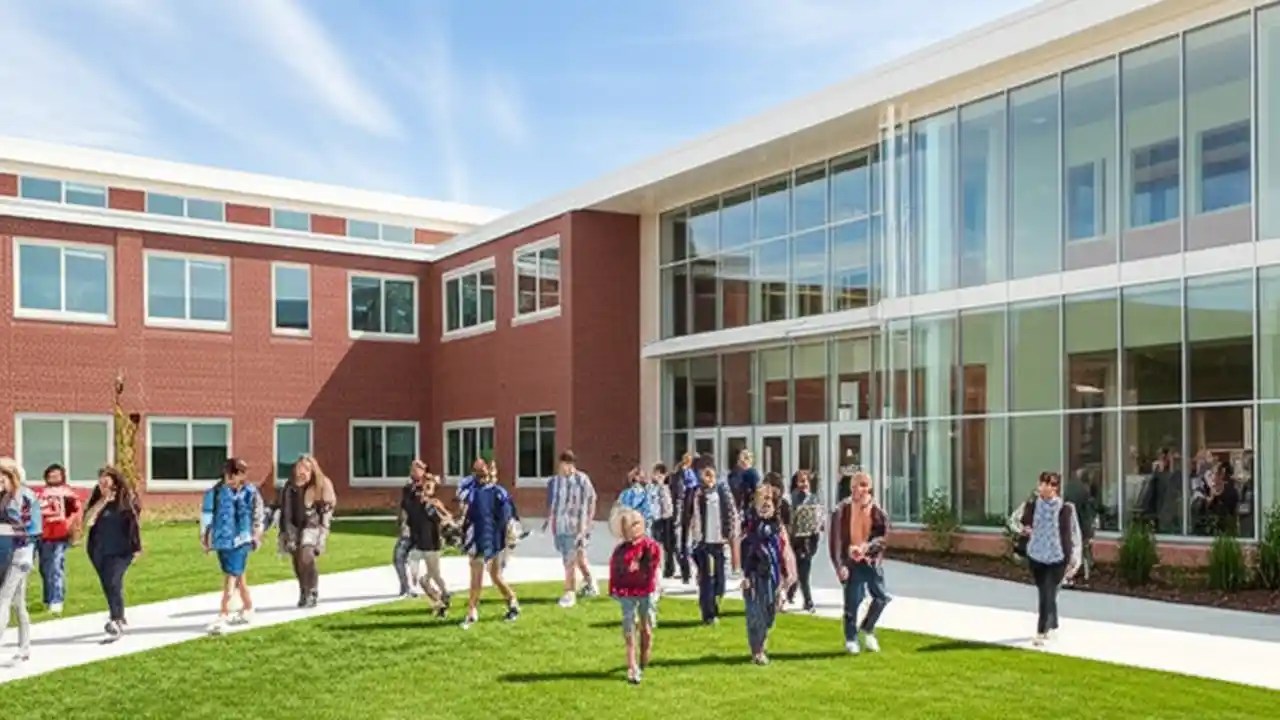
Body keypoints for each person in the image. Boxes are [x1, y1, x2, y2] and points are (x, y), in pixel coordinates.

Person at [1012, 471, 1082, 647]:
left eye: (1048, 484)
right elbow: (1013, 521)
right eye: (1042, 483)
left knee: (1047, 592)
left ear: (1055, 487)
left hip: (1058, 557)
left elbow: (1075, 535)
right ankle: (1053, 623)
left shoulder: (1066, 508)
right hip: (1036, 555)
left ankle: (1041, 631)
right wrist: (1023, 530)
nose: (1043, 487)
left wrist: (1075, 558)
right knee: (1047, 592)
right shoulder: (1032, 505)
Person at [201, 457, 265, 635]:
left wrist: (256, 535)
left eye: (236, 474)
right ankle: (248, 607)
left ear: (243, 475)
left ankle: (223, 613)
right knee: (239, 575)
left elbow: (258, 515)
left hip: (242, 540)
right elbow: (207, 517)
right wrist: (206, 539)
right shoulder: (215, 492)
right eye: (229, 474)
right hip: (222, 541)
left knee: (231, 577)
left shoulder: (251, 493)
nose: (231, 478)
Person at [829, 471, 890, 655]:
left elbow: (882, 538)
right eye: (855, 486)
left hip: (869, 561)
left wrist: (867, 548)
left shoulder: (877, 511)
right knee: (852, 602)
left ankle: (867, 628)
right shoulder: (842, 510)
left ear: (869, 487)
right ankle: (851, 638)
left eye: (863, 485)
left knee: (881, 597)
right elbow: (835, 541)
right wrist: (840, 565)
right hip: (850, 562)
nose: (859, 490)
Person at [82, 466, 142, 643]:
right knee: (107, 584)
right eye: (100, 483)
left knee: (114, 581)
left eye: (106, 482)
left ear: (115, 482)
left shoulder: (126, 500)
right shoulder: (98, 501)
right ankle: (117, 614)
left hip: (122, 550)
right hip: (98, 549)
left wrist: (137, 547)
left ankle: (116, 620)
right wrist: (102, 501)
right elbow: (87, 522)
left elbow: (134, 525)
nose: (103, 486)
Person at [460, 461, 520, 629]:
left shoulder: (499, 494)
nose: (483, 478)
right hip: (479, 540)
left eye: (484, 474)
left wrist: (510, 537)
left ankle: (511, 602)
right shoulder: (472, 493)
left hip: (495, 541)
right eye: (479, 474)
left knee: (494, 576)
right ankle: (472, 611)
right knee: (478, 577)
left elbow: (508, 519)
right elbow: (467, 518)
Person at [740, 487, 796, 665]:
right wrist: (746, 576)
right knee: (755, 615)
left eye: (769, 500)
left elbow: (784, 553)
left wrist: (787, 576)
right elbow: (745, 552)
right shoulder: (750, 527)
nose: (765, 503)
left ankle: (761, 644)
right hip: (755, 575)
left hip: (773, 574)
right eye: (761, 500)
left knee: (769, 615)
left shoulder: (777, 528)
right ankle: (757, 650)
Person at [608, 508, 662, 685]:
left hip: (645, 590)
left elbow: (653, 564)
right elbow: (615, 571)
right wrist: (616, 588)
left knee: (645, 626)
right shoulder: (620, 551)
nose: (634, 529)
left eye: (637, 524)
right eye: (630, 526)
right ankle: (632, 666)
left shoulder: (649, 546)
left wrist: (641, 565)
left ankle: (645, 655)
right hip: (627, 593)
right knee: (629, 628)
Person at [276, 455, 336, 609]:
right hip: (293, 526)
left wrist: (322, 536)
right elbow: (285, 512)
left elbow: (326, 513)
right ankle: (303, 590)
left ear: (312, 471)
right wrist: (287, 534)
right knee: (296, 559)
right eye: (299, 469)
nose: (301, 473)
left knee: (306, 556)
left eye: (306, 470)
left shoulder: (321, 485)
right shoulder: (289, 487)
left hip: (313, 526)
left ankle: (312, 591)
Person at [543, 450, 598, 608]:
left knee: (569, 560)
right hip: (561, 525)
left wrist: (587, 523)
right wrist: (551, 522)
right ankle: (590, 582)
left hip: (577, 526)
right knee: (579, 559)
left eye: (565, 465)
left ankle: (569, 592)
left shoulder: (582, 480)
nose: (562, 468)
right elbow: (554, 503)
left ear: (571, 464)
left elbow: (592, 500)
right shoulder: (556, 481)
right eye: (561, 465)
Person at [0, 458, 40, 665]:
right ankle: (24, 649)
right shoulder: (4, 497)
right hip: (4, 553)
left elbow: (30, 530)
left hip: (20, 555)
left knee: (3, 599)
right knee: (18, 603)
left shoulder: (24, 497)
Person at [689, 466, 738, 626]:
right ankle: (708, 613)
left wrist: (731, 534)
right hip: (704, 543)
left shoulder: (723, 492)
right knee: (706, 579)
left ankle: (715, 602)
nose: (709, 480)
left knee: (720, 580)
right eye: (705, 477)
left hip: (719, 541)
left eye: (711, 477)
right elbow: (693, 516)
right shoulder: (698, 494)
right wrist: (695, 538)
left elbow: (731, 514)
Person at [35, 463, 82, 616]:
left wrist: (73, 529)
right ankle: (48, 599)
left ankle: (57, 600)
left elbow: (76, 512)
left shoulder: (68, 494)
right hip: (43, 535)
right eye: (51, 475)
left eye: (57, 475)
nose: (54, 478)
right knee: (44, 568)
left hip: (60, 536)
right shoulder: (40, 494)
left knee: (55, 566)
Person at [405, 473, 454, 618]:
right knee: (425, 577)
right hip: (421, 545)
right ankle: (443, 597)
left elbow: (445, 519)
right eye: (421, 489)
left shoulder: (430, 506)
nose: (422, 492)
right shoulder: (416, 504)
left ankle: (442, 600)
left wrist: (445, 517)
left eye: (426, 489)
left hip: (432, 545)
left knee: (431, 576)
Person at [786, 470, 823, 612]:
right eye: (801, 480)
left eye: (806, 480)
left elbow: (818, 522)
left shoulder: (814, 499)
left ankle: (799, 595)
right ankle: (808, 601)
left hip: (808, 541)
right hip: (794, 541)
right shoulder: (791, 499)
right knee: (796, 571)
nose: (804, 483)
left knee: (803, 572)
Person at [395, 460, 430, 597]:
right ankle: (405, 587)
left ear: (423, 471)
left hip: (422, 530)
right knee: (398, 557)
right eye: (412, 469)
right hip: (409, 530)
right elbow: (404, 507)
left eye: (416, 469)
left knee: (426, 561)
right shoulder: (408, 488)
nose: (412, 472)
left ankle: (431, 588)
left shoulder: (427, 487)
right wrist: (403, 523)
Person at [1062, 468, 1098, 585]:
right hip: (1079, 524)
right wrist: (1089, 531)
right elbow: (1086, 513)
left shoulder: (1068, 488)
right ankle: (1085, 572)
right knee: (1084, 548)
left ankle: (1070, 571)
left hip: (1068, 523)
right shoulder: (1084, 491)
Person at [673, 453, 699, 584]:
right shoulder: (681, 475)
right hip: (683, 513)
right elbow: (679, 495)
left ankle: (687, 572)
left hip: (687, 514)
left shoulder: (690, 474)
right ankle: (685, 571)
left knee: (684, 544)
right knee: (681, 544)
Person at [649, 463, 677, 579]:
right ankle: (658, 567)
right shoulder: (652, 487)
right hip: (656, 519)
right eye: (655, 474)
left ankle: (669, 569)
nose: (656, 476)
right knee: (655, 544)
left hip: (666, 519)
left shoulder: (665, 487)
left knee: (668, 545)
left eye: (659, 474)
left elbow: (668, 505)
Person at [615, 466, 655, 536]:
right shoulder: (629, 493)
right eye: (641, 476)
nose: (644, 477)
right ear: (635, 477)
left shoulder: (646, 491)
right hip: (637, 525)